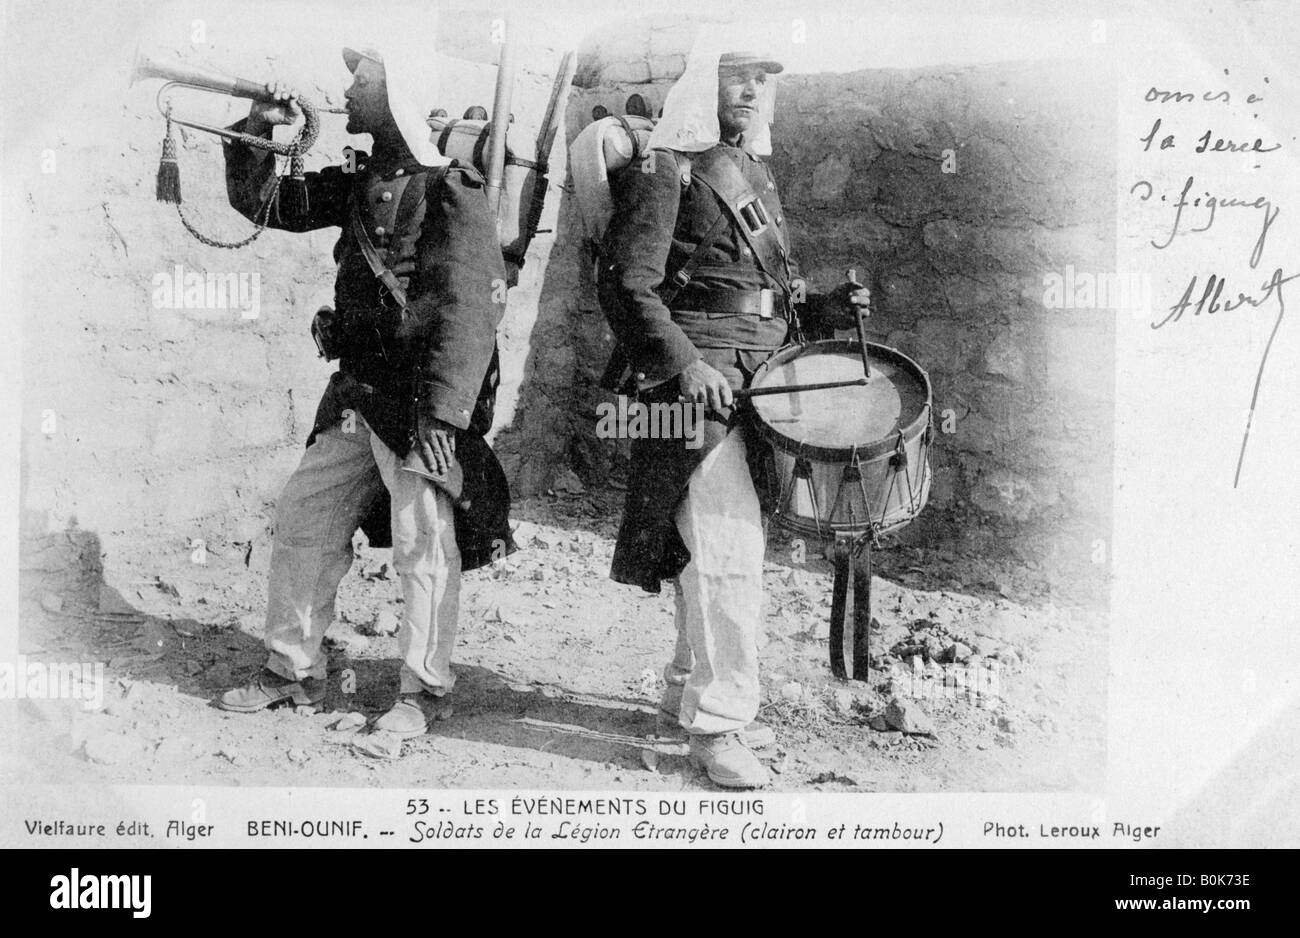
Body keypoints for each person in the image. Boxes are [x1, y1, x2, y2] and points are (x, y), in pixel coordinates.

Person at [597, 34, 870, 788]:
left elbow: (759, 295)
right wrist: (684, 367)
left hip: (759, 381)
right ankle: (719, 728)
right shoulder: (667, 168)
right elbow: (627, 286)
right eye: (733, 77)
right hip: (696, 391)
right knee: (726, 550)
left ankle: (684, 696)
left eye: (759, 80)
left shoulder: (754, 173)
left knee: (709, 551)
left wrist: (822, 307)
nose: (748, 91)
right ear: (701, 86)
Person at [215, 47, 508, 738]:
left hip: (415, 402)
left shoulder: (449, 188)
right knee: (304, 519)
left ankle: (422, 690)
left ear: (398, 87)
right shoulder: (359, 178)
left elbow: (470, 315)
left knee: (423, 545)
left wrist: (444, 415)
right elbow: (269, 203)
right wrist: (261, 124)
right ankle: (293, 670)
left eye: (362, 78)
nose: (348, 90)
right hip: (356, 392)